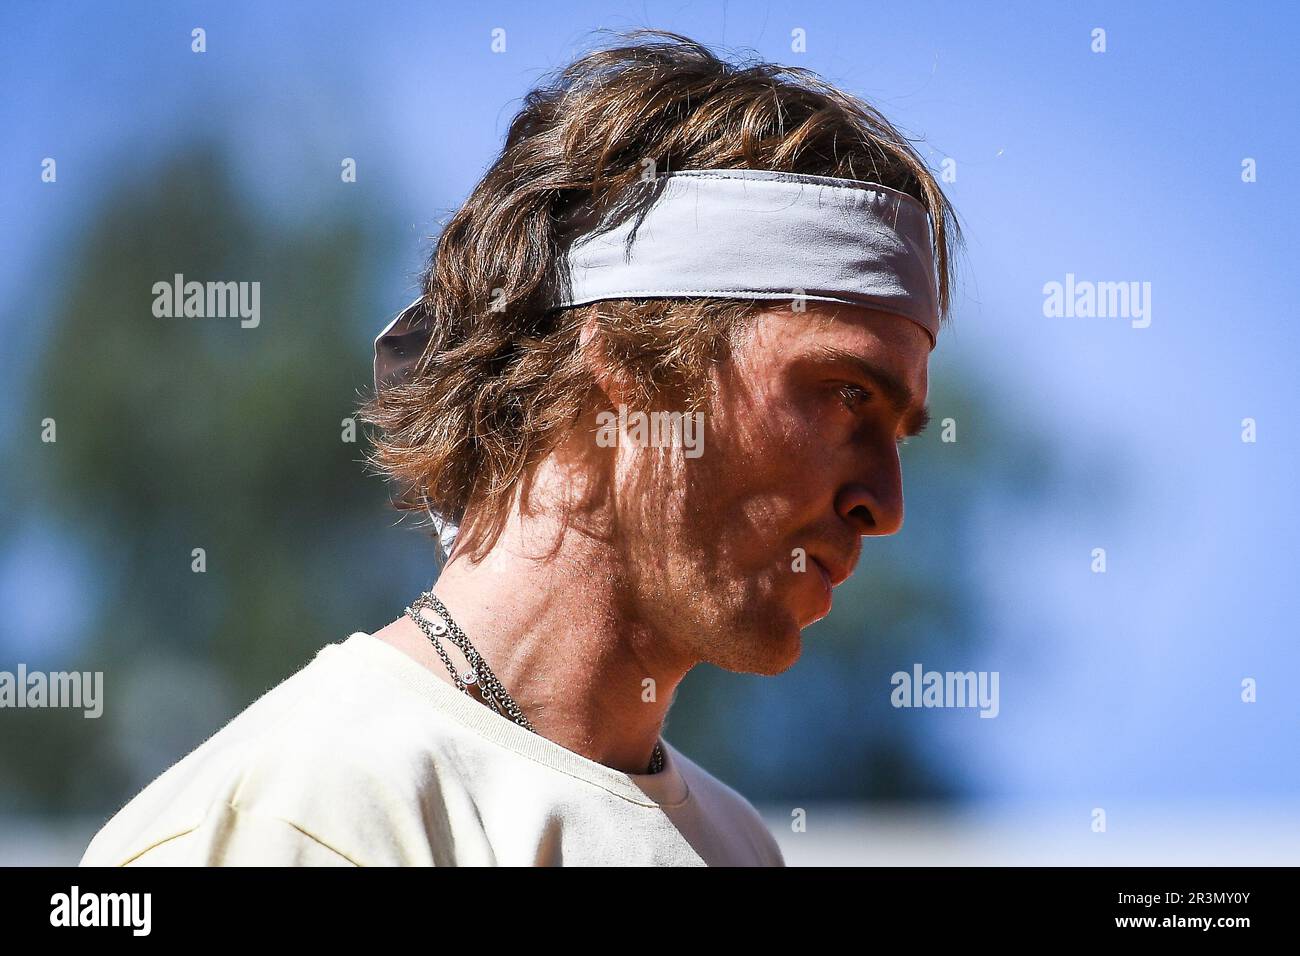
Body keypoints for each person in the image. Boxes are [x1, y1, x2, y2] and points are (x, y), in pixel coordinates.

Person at [79, 30, 960, 867]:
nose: (885, 505)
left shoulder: (738, 845)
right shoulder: (300, 818)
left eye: (897, 431)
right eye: (848, 395)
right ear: (627, 358)